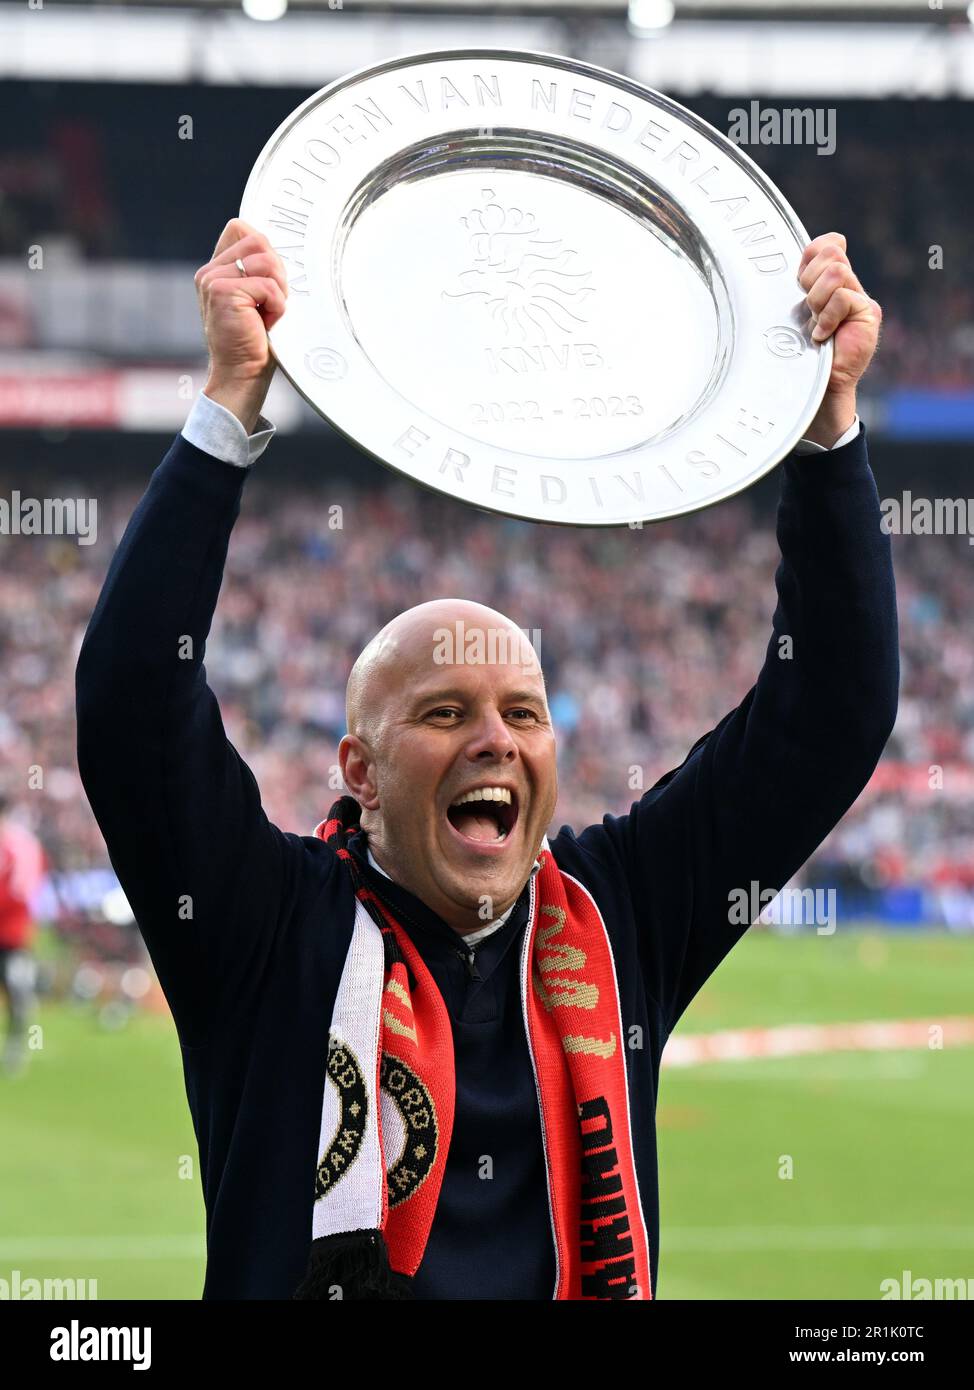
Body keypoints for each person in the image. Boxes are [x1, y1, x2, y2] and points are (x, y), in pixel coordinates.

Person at [75, 218, 898, 1300]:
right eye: (445, 711)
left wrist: (824, 428)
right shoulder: (265, 926)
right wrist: (230, 403)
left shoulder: (620, 914)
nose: (495, 738)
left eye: (523, 709)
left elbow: (829, 712)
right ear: (358, 773)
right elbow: (134, 703)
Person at [0, 793, 46, 1076]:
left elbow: (22, 890)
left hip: (11, 933)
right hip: (13, 930)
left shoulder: (19, 845)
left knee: (17, 992)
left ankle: (16, 1048)